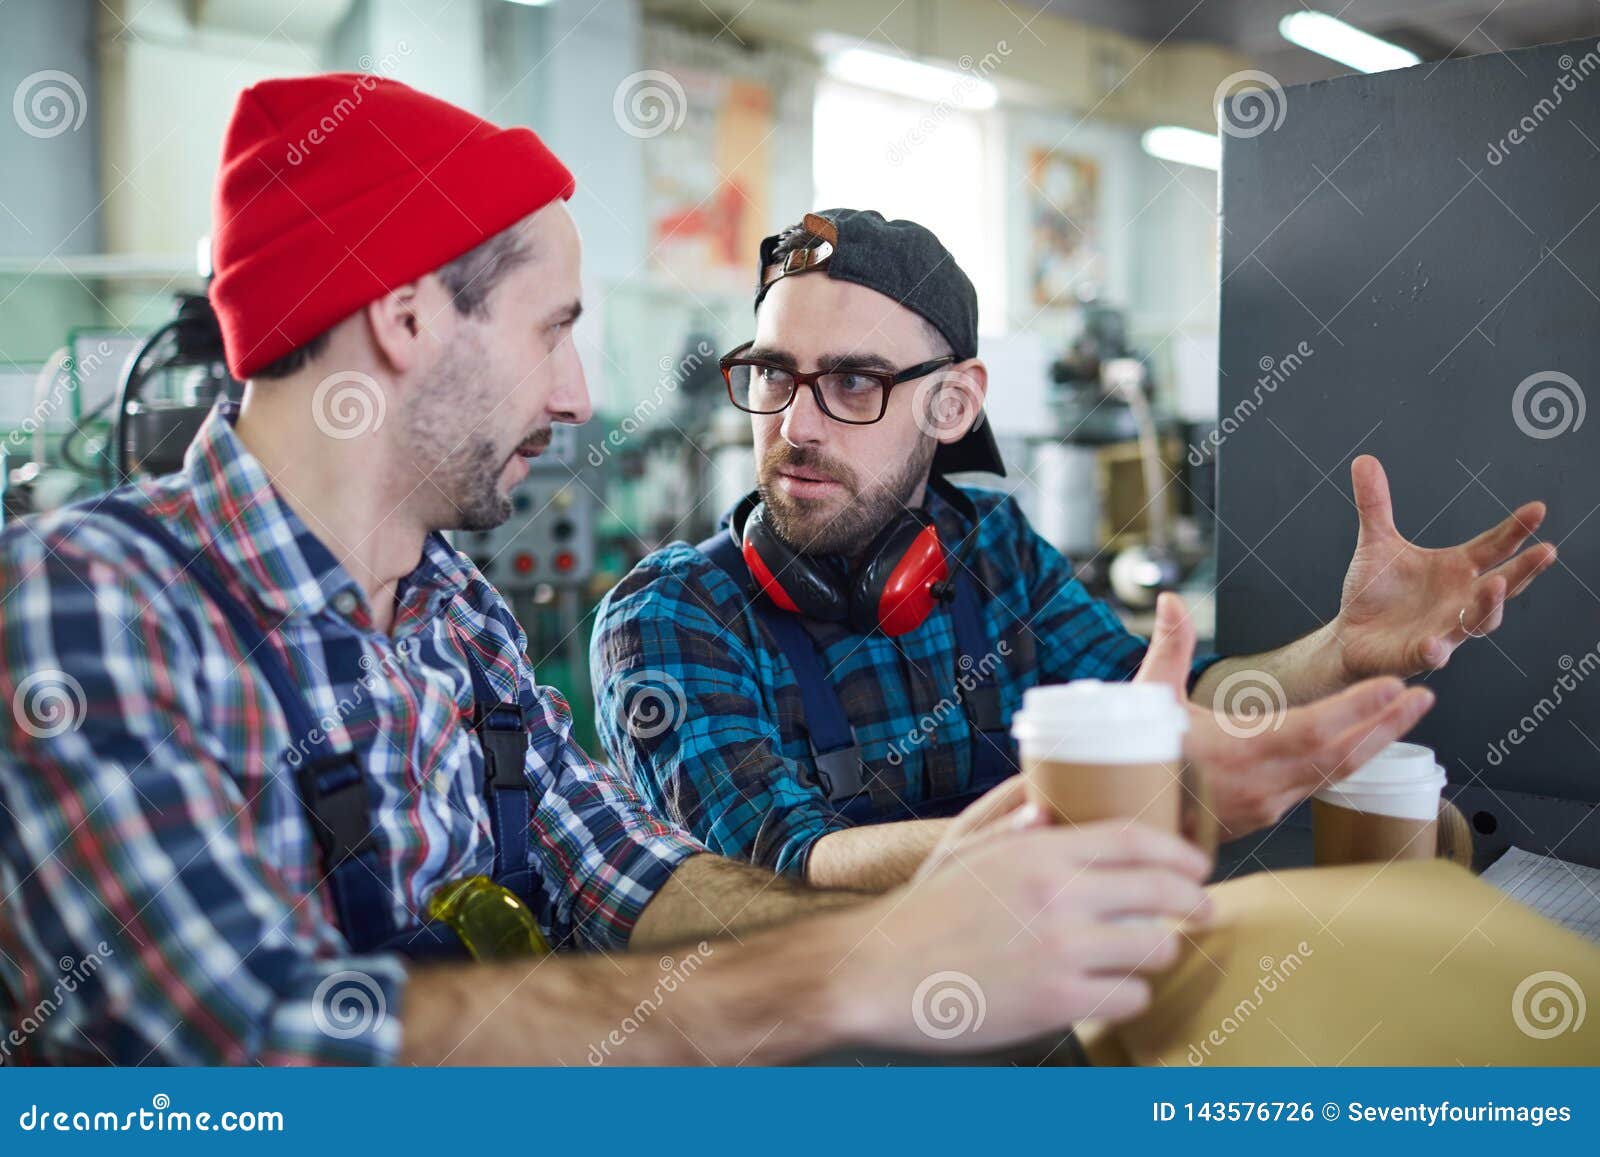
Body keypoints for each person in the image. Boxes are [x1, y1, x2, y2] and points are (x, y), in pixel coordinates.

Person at [0, 76, 1215, 1066]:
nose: (578, 394)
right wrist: (861, 969)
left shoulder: (453, 614)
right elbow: (259, 1040)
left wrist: (943, 898)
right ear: (409, 321)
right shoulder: (84, 605)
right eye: (552, 328)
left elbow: (639, 878)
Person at [590, 208, 1555, 889]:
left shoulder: (991, 548)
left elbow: (1158, 697)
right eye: (772, 373)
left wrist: (1341, 648)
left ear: (954, 401)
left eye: (852, 382)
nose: (795, 424)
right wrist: (1083, 819)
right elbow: (780, 861)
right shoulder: (669, 617)